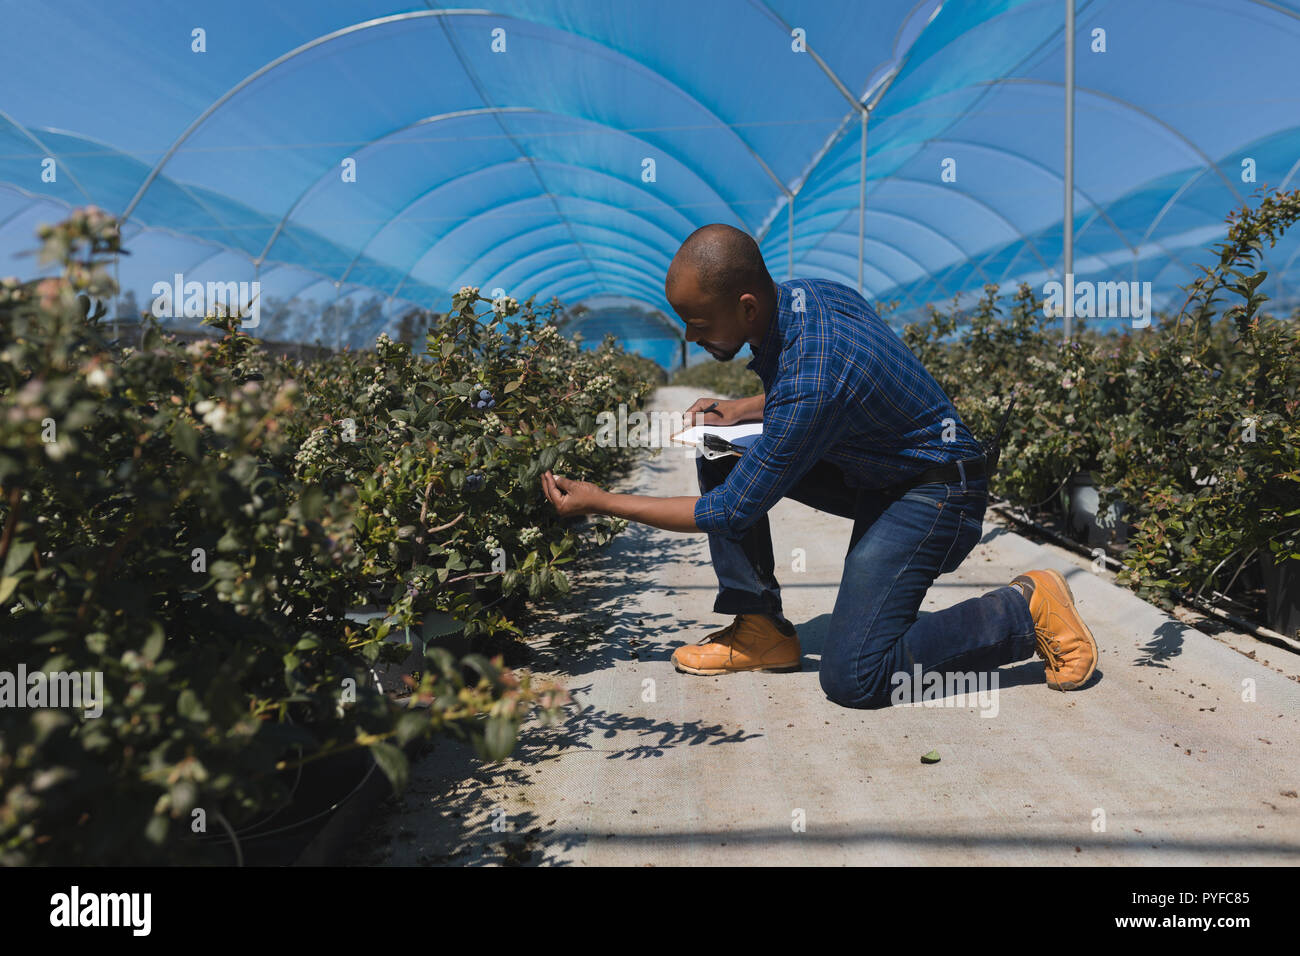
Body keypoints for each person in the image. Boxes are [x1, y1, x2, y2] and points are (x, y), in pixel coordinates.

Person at [540, 223, 1098, 707]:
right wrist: (741, 408)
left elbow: (733, 510)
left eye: (698, 322)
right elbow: (835, 390)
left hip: (935, 496)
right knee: (721, 447)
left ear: (746, 307)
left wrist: (601, 501)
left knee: (856, 675)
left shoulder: (813, 374)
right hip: (882, 472)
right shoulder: (809, 297)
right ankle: (760, 629)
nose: (689, 335)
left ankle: (1025, 611)